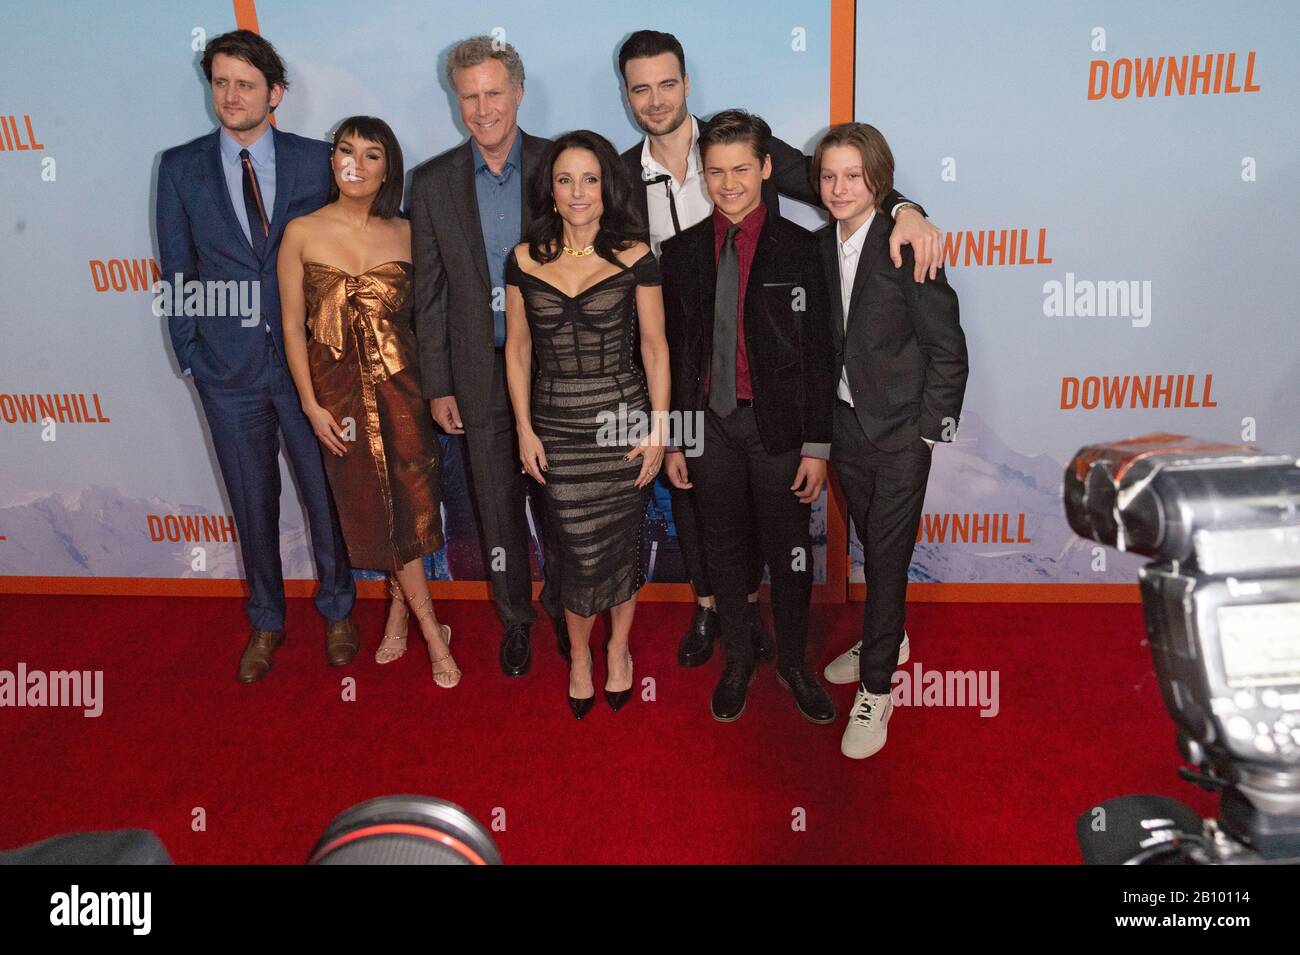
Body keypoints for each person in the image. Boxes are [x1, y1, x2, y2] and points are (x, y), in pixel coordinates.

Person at [616, 29, 941, 672]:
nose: (656, 99)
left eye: (667, 83)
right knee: (703, 518)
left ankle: (782, 650)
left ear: (687, 84)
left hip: (766, 402)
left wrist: (905, 207)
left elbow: (840, 182)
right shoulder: (622, 177)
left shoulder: (749, 149)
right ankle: (714, 612)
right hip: (686, 386)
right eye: (641, 88)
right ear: (627, 95)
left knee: (776, 534)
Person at [155, 30, 357, 684]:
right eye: (220, 83)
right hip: (228, 373)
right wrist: (192, 357)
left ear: (275, 94)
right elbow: (177, 271)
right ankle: (267, 620)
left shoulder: (317, 161)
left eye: (245, 84)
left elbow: (351, 249)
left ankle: (338, 608)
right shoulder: (180, 167)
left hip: (311, 370)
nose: (231, 96)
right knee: (251, 501)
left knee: (326, 495)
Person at [661, 110, 836, 724]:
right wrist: (676, 438)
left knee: (790, 550)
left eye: (740, 169)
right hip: (708, 428)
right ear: (701, 173)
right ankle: (737, 659)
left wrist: (818, 445)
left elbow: (820, 354)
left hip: (778, 429)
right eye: (715, 171)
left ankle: (793, 663)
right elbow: (676, 355)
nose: (728, 183)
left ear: (765, 168)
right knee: (724, 550)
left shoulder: (804, 250)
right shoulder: (679, 253)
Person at [278, 116, 458, 689]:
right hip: (338, 397)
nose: (354, 163)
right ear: (332, 160)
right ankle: (429, 628)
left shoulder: (409, 232)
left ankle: (412, 620)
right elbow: (292, 326)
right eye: (345, 150)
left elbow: (430, 320)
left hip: (405, 389)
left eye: (371, 154)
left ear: (388, 169)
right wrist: (311, 406)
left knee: (412, 501)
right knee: (372, 506)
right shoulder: (301, 231)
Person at [411, 36, 567, 677]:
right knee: (497, 504)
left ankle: (568, 609)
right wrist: (438, 383)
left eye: (494, 93)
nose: (482, 109)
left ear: (518, 93)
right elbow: (429, 293)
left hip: (558, 372)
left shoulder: (562, 164)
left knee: (562, 500)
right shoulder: (432, 182)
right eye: (469, 96)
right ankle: (516, 618)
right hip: (478, 374)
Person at [813, 123, 968, 758]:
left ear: (879, 180)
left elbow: (948, 348)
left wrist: (930, 435)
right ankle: (891, 636)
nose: (839, 188)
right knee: (872, 546)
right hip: (845, 428)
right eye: (829, 176)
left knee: (888, 554)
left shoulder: (907, 245)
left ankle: (878, 687)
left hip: (904, 434)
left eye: (853, 176)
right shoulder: (819, 246)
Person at [504, 131, 669, 719]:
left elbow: (655, 347)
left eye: (590, 179)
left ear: (607, 188)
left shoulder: (635, 256)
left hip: (622, 425)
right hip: (555, 427)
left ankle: (618, 648)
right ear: (550, 190)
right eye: (565, 180)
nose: (578, 192)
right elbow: (518, 349)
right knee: (573, 551)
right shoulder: (524, 259)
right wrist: (524, 429)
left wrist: (659, 428)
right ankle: (579, 655)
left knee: (620, 546)